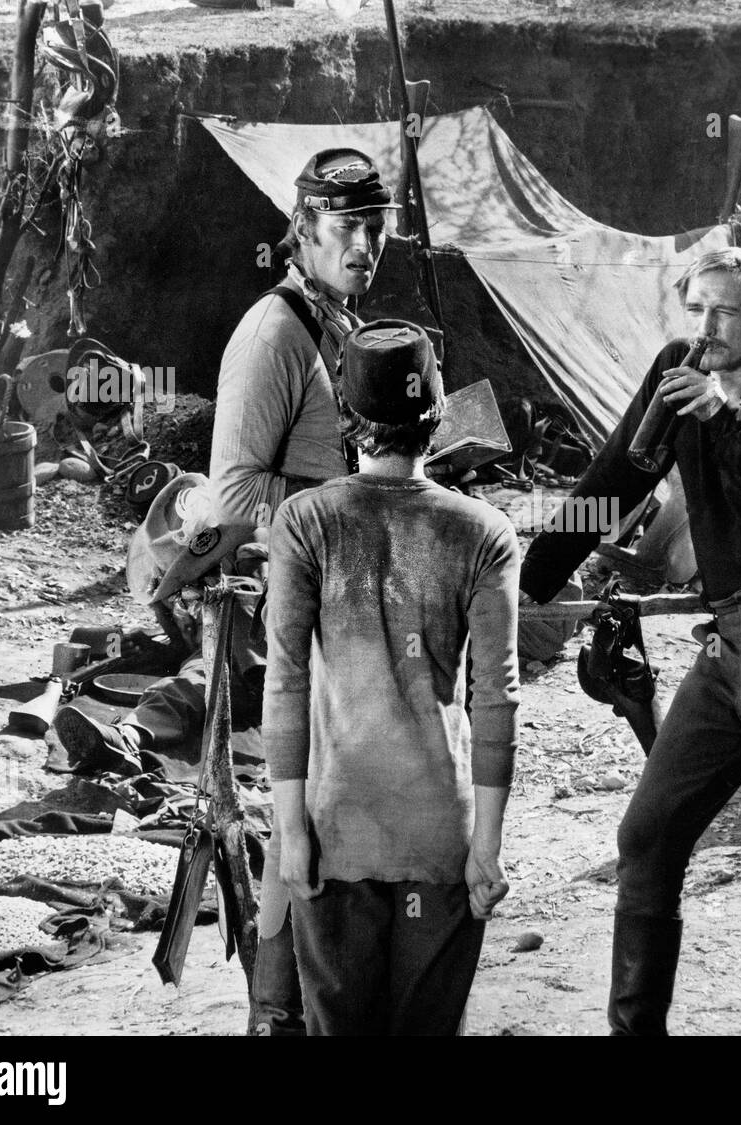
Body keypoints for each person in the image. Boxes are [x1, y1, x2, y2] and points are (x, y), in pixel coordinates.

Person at [521, 246, 741, 1033]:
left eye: (724, 311)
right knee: (646, 835)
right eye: (697, 309)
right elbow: (614, 480)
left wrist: (725, 415)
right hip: (732, 639)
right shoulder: (676, 371)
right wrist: (530, 579)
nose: (705, 328)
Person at [264, 320, 519, 1035]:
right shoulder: (483, 531)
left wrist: (290, 830)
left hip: (336, 823)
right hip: (442, 829)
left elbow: (284, 682)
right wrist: (487, 847)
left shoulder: (305, 522)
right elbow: (496, 696)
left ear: (348, 417)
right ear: (437, 414)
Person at [207, 147, 399, 1036]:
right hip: (296, 607)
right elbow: (235, 496)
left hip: (347, 602)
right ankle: (277, 1011)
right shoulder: (275, 332)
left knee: (339, 806)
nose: (366, 242)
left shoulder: (339, 324)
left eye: (377, 223)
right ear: (306, 229)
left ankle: (314, 1004)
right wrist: (347, 502)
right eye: (347, 226)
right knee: (305, 807)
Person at [52, 474, 260, 778]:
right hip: (216, 657)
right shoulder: (182, 594)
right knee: (144, 654)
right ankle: (124, 739)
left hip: (260, 668)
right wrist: (157, 649)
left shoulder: (252, 562)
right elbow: (184, 643)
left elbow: (250, 651)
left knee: (182, 687)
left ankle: (127, 739)